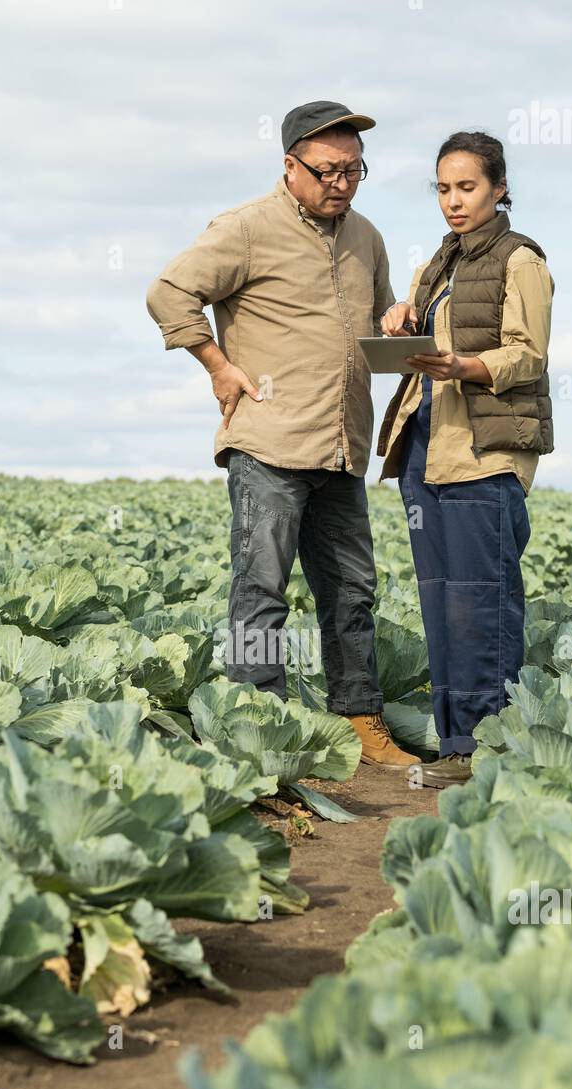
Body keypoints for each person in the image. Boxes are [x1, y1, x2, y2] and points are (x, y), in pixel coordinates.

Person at [146, 100, 418, 769]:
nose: (342, 183)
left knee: (353, 590)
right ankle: (255, 730)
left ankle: (360, 720)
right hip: (269, 440)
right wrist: (217, 366)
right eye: (328, 170)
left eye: (354, 170)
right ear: (290, 166)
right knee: (261, 590)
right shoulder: (245, 228)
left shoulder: (368, 237)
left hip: (341, 442)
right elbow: (168, 293)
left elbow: (379, 316)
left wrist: (398, 319)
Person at [379, 131, 554, 788]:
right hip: (428, 443)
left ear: (499, 188)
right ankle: (456, 745)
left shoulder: (521, 260)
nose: (453, 201)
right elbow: (424, 325)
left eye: (468, 187)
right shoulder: (440, 263)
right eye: (444, 189)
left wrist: (467, 365)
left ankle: (490, 749)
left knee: (483, 601)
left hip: (485, 448)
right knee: (442, 600)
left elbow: (528, 355)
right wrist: (402, 316)